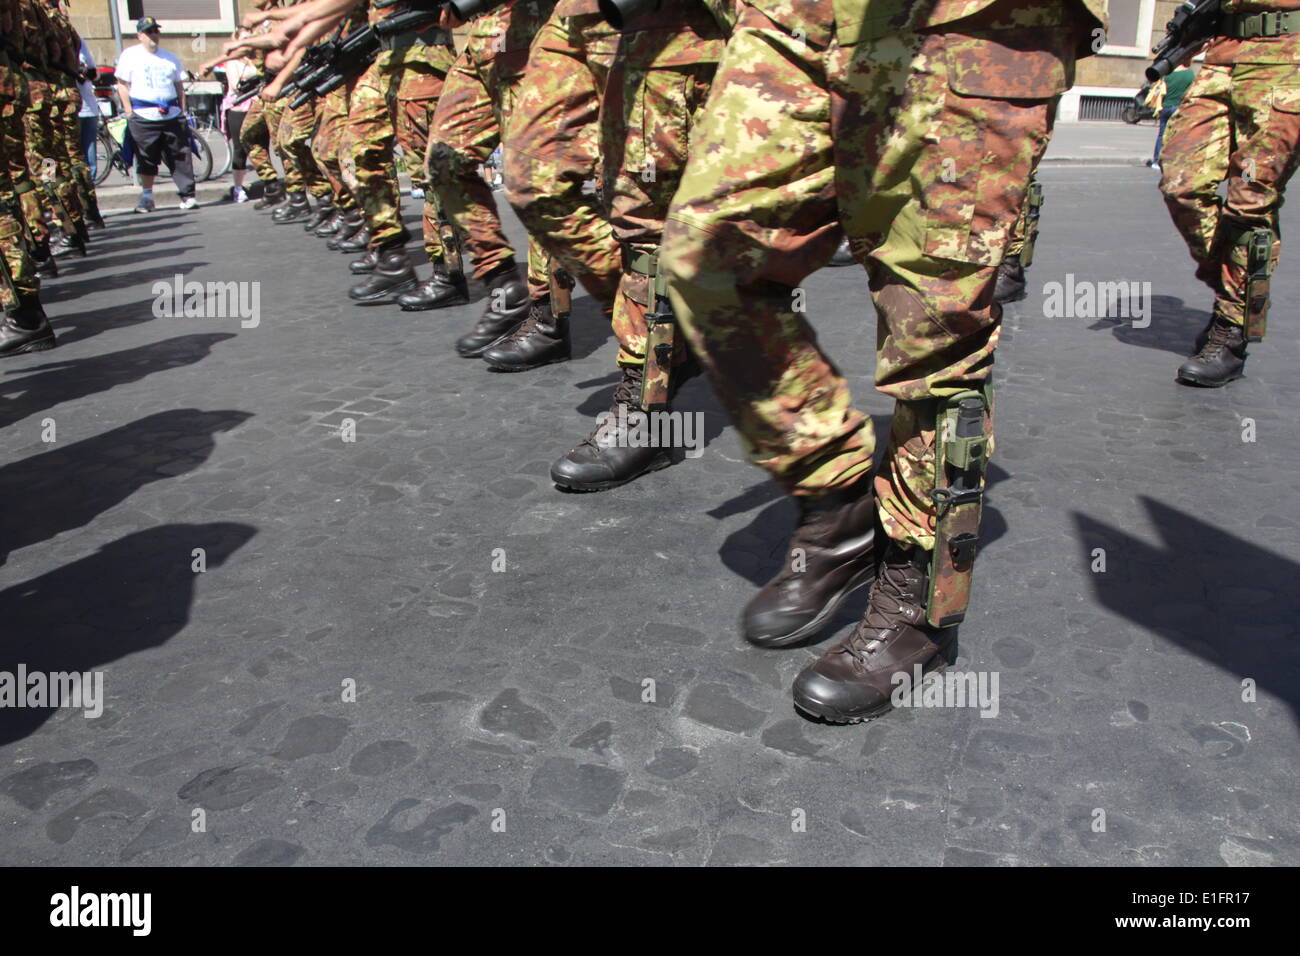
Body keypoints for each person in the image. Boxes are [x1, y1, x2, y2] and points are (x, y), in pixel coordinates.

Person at [662, 0, 1106, 724]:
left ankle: (917, 605)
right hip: (793, 16)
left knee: (933, 329)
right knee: (705, 260)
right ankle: (839, 504)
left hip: (971, 22)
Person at [1160, 1, 1299, 388]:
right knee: (1180, 182)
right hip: (1222, 54)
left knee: (1250, 198)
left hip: (1288, 58)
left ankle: (1232, 328)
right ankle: (1231, 284)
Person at [115, 16, 197, 213]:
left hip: (171, 113)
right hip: (144, 114)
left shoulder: (169, 57)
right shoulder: (130, 55)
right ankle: (147, 196)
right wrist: (128, 110)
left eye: (155, 31)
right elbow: (122, 84)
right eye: (149, 32)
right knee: (146, 157)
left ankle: (188, 195)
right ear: (140, 35)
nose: (153, 35)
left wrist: (182, 111)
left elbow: (179, 86)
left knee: (180, 155)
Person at [1149, 63, 1195, 171]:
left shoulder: (1167, 74)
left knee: (1162, 135)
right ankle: (1174, 159)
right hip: (1179, 107)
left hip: (1165, 107)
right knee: (1177, 135)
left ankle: (1156, 161)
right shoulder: (1189, 74)